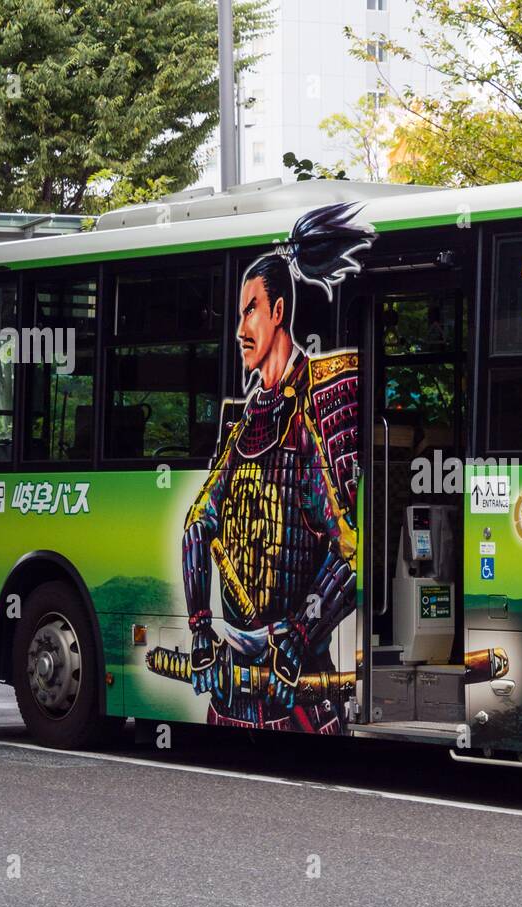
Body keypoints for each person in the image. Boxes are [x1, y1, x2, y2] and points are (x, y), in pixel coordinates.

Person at [165, 203, 374, 733]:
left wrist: (298, 632)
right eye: (238, 314)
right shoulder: (245, 419)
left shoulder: (318, 406)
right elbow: (197, 525)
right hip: (232, 688)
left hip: (301, 687)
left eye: (249, 311)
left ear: (278, 311)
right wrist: (199, 630)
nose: (239, 328)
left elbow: (353, 550)